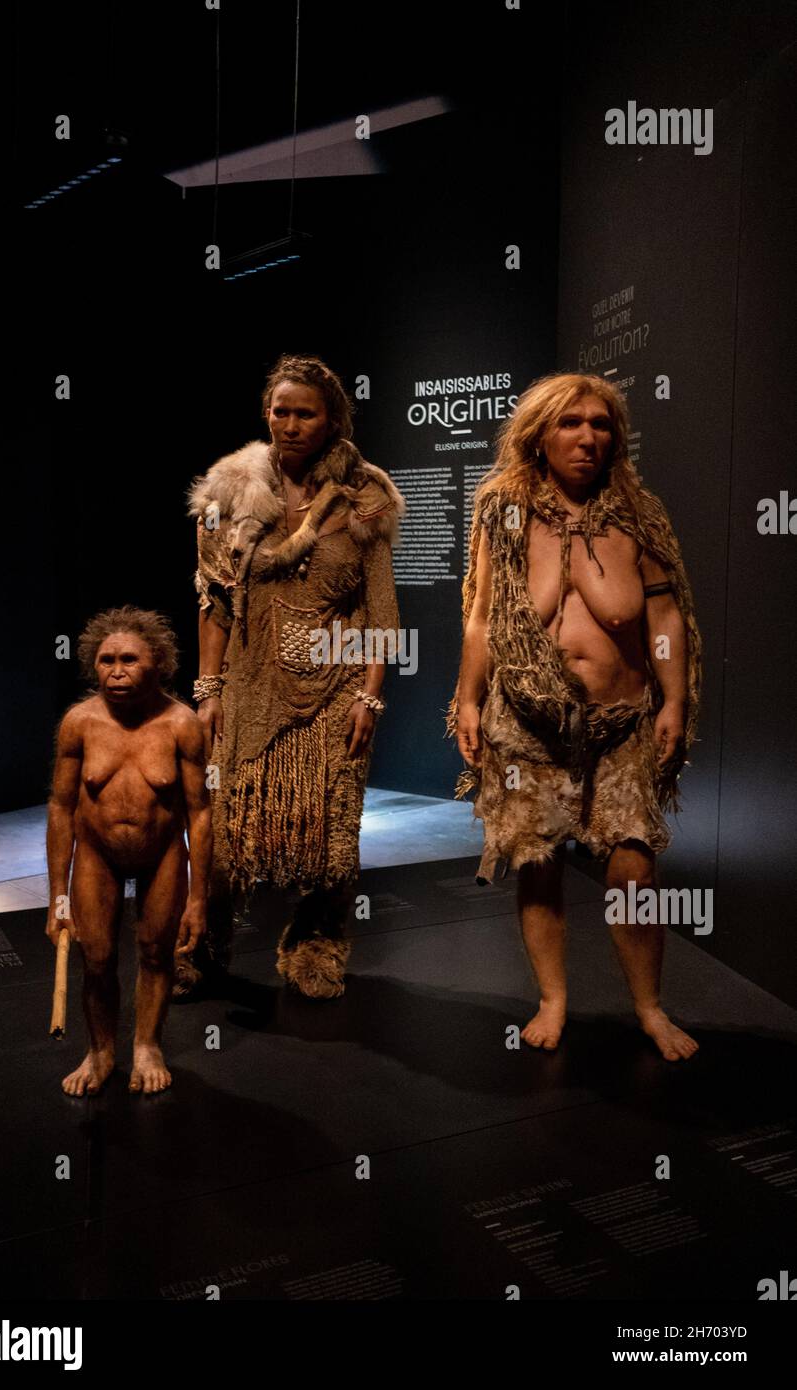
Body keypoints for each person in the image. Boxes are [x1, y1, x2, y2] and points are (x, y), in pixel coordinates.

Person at [449, 372, 702, 1061]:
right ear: (538, 434)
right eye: (571, 423)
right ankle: (552, 999)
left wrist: (675, 697)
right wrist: (467, 698)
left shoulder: (637, 514)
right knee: (537, 861)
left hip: (620, 722)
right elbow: (481, 615)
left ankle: (649, 1007)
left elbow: (662, 615)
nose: (588, 436)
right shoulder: (502, 508)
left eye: (600, 423)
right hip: (527, 724)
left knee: (634, 872)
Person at [179, 354, 403, 1001]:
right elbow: (213, 603)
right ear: (266, 414)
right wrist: (209, 690)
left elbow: (381, 612)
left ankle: (316, 946)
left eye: (306, 412)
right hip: (249, 689)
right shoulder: (229, 496)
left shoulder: (364, 498)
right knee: (221, 837)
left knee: (332, 839)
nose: (291, 424)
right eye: (281, 411)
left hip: (336, 689)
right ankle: (202, 943)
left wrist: (370, 695)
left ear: (332, 418)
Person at [46, 606, 210, 1094]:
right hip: (97, 856)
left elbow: (200, 813)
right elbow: (60, 807)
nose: (116, 671)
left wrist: (199, 898)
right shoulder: (79, 722)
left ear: (157, 662)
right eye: (106, 660)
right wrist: (58, 895)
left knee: (156, 954)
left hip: (163, 854)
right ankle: (99, 1052)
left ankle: (146, 1046)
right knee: (95, 958)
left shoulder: (182, 724)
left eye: (129, 660)